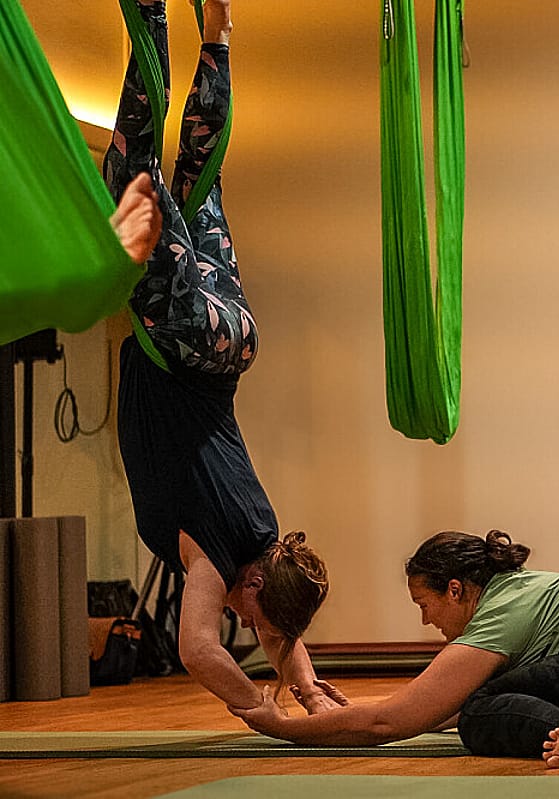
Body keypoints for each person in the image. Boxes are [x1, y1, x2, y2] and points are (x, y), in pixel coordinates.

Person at [105, 0, 342, 714]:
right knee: (132, 162)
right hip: (177, 336)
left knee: (199, 175)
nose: (247, 624)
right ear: (251, 587)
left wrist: (308, 686)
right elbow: (197, 650)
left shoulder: (269, 536)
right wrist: (262, 709)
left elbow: (279, 616)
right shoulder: (213, 557)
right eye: (253, 616)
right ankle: (147, 14)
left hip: (230, 339)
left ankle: (219, 35)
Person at [233, 530, 559, 768]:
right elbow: (425, 710)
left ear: (456, 589)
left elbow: (388, 725)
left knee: (480, 711)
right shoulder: (528, 592)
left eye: (425, 603)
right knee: (483, 699)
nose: (425, 620)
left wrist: (281, 727)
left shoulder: (501, 610)